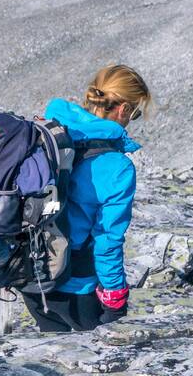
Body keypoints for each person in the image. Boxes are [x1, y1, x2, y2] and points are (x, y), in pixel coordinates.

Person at [21, 64, 151, 332]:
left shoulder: (47, 131)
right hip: (75, 285)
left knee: (51, 348)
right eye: (135, 114)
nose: (131, 119)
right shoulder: (117, 167)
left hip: (29, 273)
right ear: (123, 109)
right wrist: (115, 298)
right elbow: (107, 241)